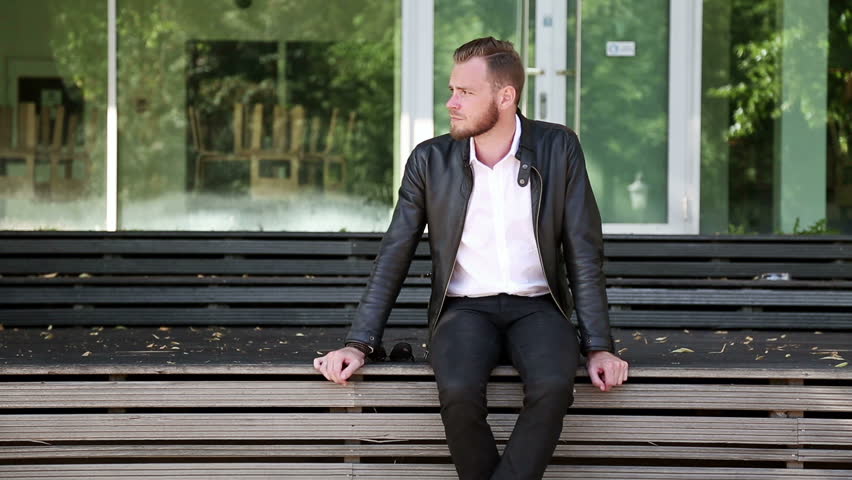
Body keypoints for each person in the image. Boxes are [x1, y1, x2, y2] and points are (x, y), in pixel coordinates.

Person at [314, 36, 628, 480]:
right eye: (451, 89)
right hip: (463, 311)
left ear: (505, 97)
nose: (451, 102)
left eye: (465, 92)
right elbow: (395, 252)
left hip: (539, 308)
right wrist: (359, 342)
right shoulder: (430, 160)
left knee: (555, 385)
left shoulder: (559, 149)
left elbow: (582, 250)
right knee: (458, 389)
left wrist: (598, 346)